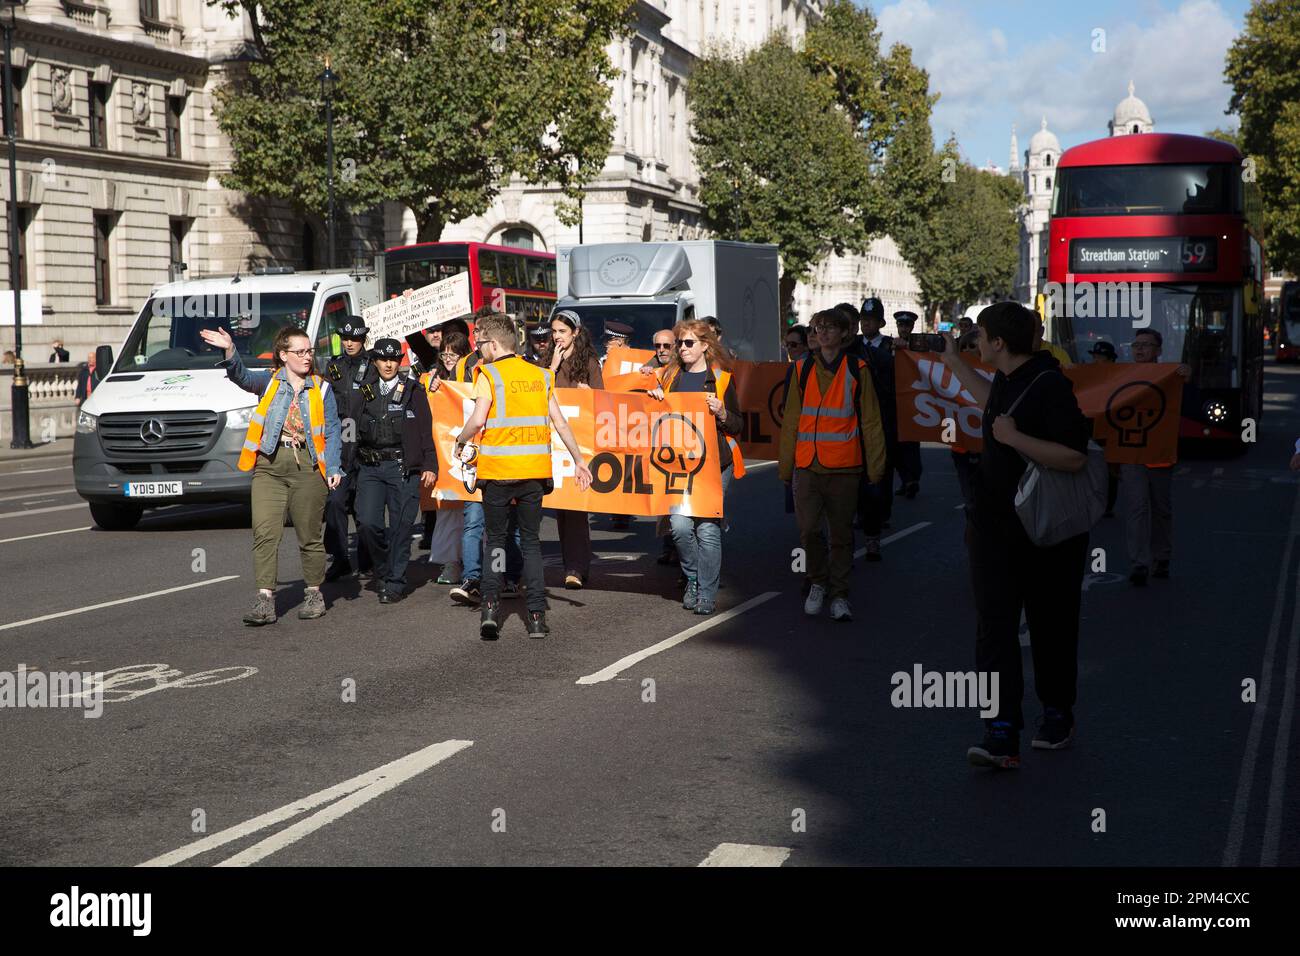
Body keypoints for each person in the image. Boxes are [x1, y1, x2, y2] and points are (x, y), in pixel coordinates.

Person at [936, 302, 1092, 769]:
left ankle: (1056, 713)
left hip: (1045, 531)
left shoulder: (1050, 385)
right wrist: (953, 363)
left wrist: (1014, 440)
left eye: (979, 336)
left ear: (999, 343)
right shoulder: (1007, 379)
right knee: (995, 628)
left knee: (1050, 624)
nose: (975, 341)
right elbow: (993, 404)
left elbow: (1074, 457)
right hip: (994, 528)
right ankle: (1000, 731)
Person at [454, 312, 593, 639]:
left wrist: (459, 441)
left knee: (496, 543)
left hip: (498, 473)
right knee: (531, 544)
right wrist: (579, 460)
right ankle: (535, 617)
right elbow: (559, 422)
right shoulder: (540, 375)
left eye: (479, 342)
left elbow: (476, 421)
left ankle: (489, 610)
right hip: (533, 472)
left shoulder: (488, 374)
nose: (477, 348)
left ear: (492, 343)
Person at [199, 324, 343, 626]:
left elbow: (331, 430)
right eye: (300, 352)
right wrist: (229, 350)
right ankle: (265, 599)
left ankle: (314, 594)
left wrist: (332, 467)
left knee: (309, 535)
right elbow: (241, 376)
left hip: (308, 465)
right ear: (283, 354)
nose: (307, 357)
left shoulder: (322, 388)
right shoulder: (269, 383)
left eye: (309, 351)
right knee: (265, 533)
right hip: (270, 464)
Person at [779, 309, 887, 622]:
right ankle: (817, 582)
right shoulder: (801, 369)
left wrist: (876, 466)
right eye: (819, 327)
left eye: (830, 327)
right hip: (808, 465)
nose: (823, 332)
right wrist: (786, 466)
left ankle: (839, 593)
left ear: (844, 334)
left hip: (843, 466)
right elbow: (791, 422)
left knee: (840, 535)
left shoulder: (858, 368)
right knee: (809, 531)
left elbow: (870, 420)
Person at [648, 318, 743, 616]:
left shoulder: (722, 379)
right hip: (677, 465)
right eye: (680, 343)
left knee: (708, 530)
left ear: (705, 345)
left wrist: (723, 412)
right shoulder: (668, 376)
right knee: (678, 527)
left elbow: (738, 424)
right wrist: (654, 401)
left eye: (689, 343)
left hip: (714, 465)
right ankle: (691, 577)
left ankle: (706, 592)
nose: (683, 348)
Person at [348, 338, 438, 603]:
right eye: (383, 359)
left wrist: (430, 465)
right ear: (374, 361)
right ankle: (385, 569)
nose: (388, 364)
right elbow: (349, 428)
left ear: (400, 362)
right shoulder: (362, 391)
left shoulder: (413, 390)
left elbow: (425, 430)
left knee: (401, 527)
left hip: (402, 468)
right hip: (370, 467)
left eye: (394, 359)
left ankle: (395, 582)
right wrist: (343, 465)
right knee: (367, 523)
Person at [450, 311, 524, 606]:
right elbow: (449, 392)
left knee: (506, 527)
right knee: (474, 522)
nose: (476, 341)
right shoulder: (467, 366)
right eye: (475, 335)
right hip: (477, 458)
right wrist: (435, 384)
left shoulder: (508, 371)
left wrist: (461, 439)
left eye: (481, 336)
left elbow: (480, 417)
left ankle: (508, 577)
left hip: (503, 460)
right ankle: (473, 579)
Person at [1122, 329, 1190, 586]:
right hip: (1131, 453)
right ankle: (1139, 562)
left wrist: (1186, 371)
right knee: (1136, 507)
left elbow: (1186, 379)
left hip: (1159, 455)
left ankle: (1161, 557)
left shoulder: (1169, 374)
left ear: (1158, 351)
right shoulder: (1122, 375)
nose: (1139, 349)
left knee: (1161, 509)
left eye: (1146, 345)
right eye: (1136, 345)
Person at [548, 309, 602, 588]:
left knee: (576, 507)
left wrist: (589, 395)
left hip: (579, 443)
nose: (557, 337)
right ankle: (571, 562)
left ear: (576, 333)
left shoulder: (590, 362)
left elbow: (603, 403)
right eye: (554, 332)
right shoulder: (548, 361)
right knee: (559, 507)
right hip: (554, 443)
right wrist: (552, 368)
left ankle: (577, 568)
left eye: (563, 332)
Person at [322, 317, 374, 581]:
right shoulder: (333, 367)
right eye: (345, 338)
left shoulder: (375, 365)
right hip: (341, 446)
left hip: (366, 446)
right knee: (335, 503)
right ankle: (340, 557)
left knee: (365, 512)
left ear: (363, 338)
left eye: (354, 338)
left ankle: (368, 560)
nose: (349, 343)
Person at [423, 331, 473, 583]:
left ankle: (474, 563)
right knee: (449, 509)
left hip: (473, 451)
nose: (448, 359)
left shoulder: (477, 373)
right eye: (444, 354)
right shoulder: (435, 376)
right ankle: (450, 563)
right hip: (447, 454)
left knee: (475, 511)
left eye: (454, 354)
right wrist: (430, 386)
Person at [856, 297, 897, 555]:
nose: (866, 324)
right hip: (861, 413)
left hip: (883, 413)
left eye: (870, 320)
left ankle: (882, 511)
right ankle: (865, 514)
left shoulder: (889, 346)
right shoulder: (855, 345)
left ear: (880, 322)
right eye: (863, 320)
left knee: (882, 466)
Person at [950, 331, 982, 517]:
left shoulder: (993, 372)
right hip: (961, 448)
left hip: (985, 447)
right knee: (969, 498)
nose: (968, 350)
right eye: (964, 347)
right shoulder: (952, 372)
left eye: (972, 346)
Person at [892, 310, 923, 498]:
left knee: (911, 443)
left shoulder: (918, 346)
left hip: (915, 399)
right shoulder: (892, 345)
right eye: (901, 325)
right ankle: (906, 479)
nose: (903, 329)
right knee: (896, 444)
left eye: (907, 325)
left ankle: (913, 479)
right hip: (896, 399)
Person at [1088, 340, 1120, 516]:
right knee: (1094, 469)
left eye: (1099, 357)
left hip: (1111, 429)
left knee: (1110, 470)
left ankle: (1107, 506)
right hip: (1093, 428)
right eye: (1094, 357)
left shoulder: (1118, 378)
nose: (1095, 361)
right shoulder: (1089, 377)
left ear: (1110, 360)